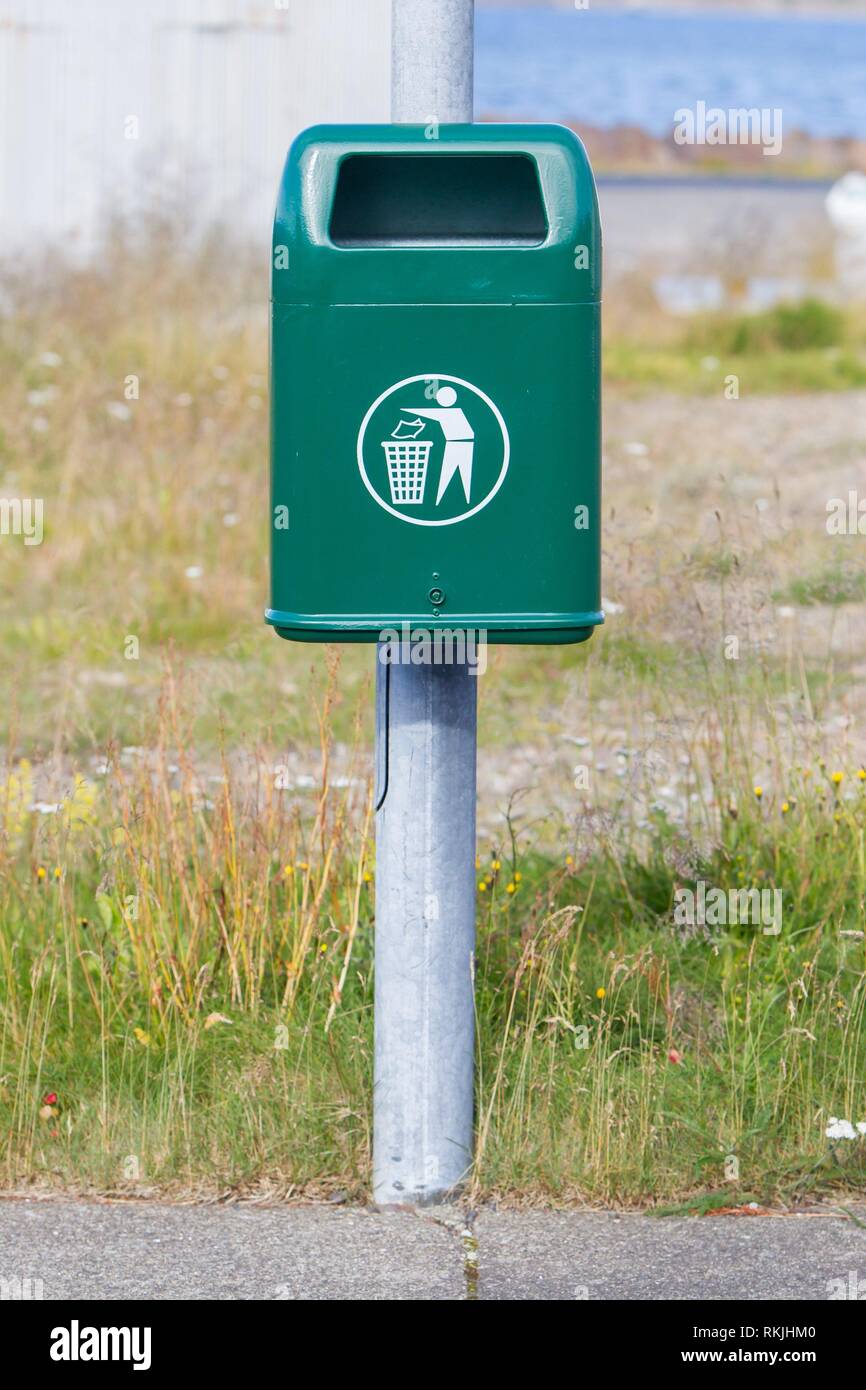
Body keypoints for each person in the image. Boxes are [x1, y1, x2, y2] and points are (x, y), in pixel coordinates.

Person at [400, 385, 475, 505]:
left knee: (456, 476)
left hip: (460, 445)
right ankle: (441, 501)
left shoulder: (453, 412)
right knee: (450, 476)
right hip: (458, 444)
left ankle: (461, 500)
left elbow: (432, 413)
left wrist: (407, 409)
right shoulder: (455, 412)